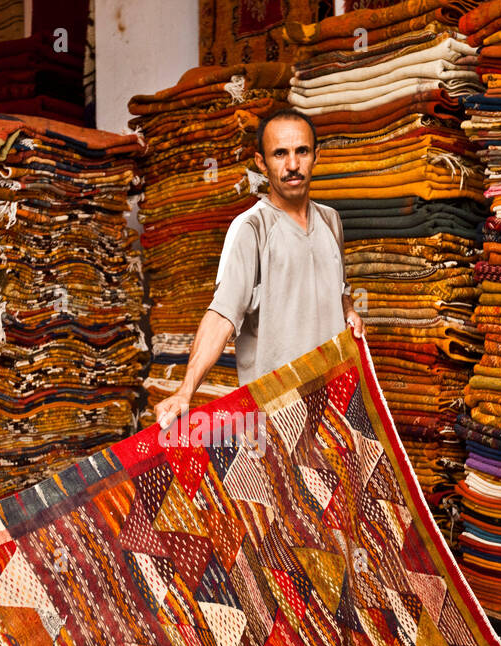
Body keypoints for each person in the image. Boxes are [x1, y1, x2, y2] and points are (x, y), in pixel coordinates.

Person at [154, 107, 365, 430]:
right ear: (261, 162)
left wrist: (348, 310)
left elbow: (338, 290)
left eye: (301, 152)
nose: (292, 165)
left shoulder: (331, 221)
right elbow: (223, 315)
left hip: (335, 410)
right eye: (280, 154)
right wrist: (186, 390)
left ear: (316, 156)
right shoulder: (251, 228)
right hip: (275, 417)